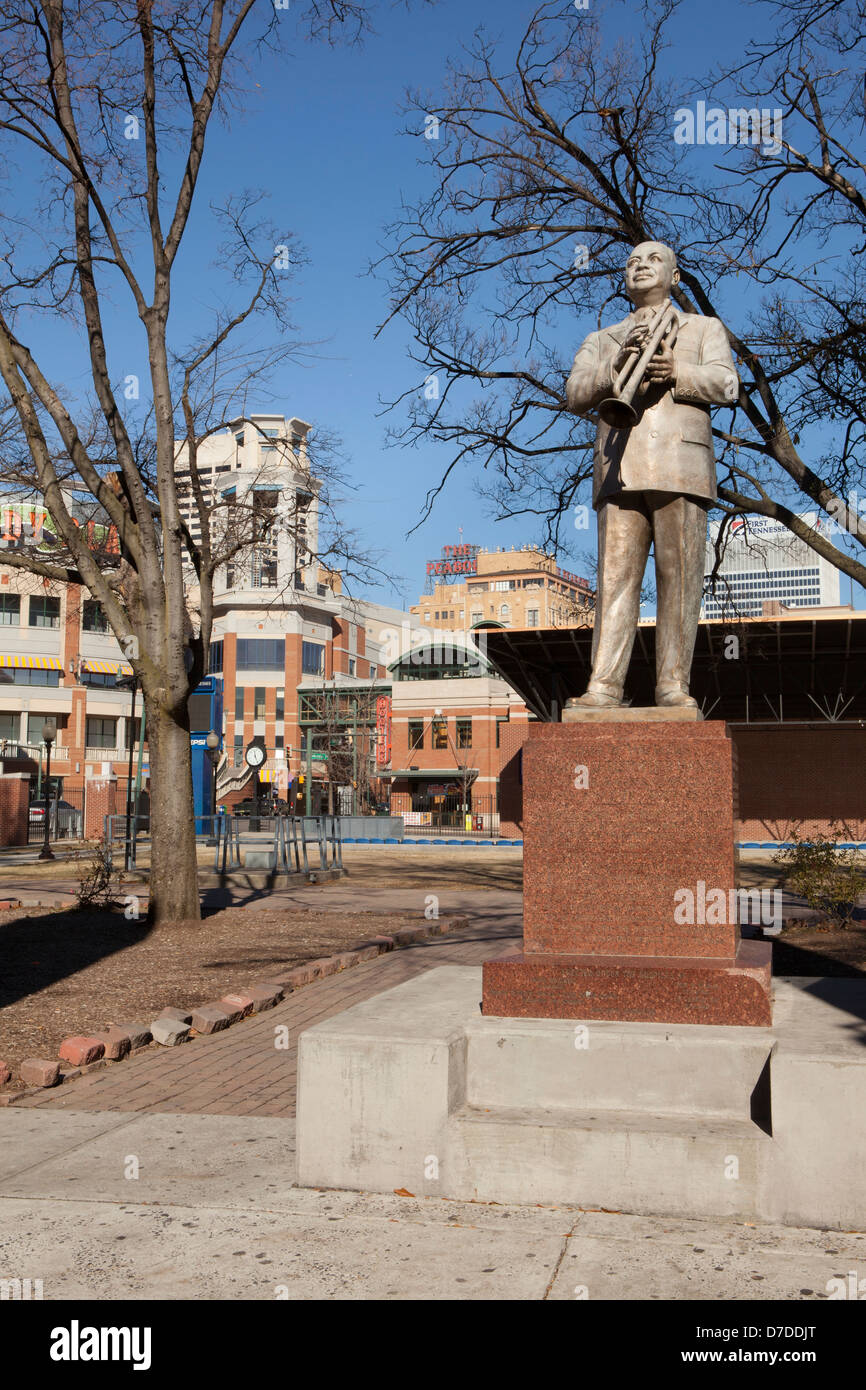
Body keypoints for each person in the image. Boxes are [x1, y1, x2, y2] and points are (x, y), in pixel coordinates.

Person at [565, 241, 738, 709]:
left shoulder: (704, 328)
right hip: (619, 467)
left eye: (653, 260)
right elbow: (575, 392)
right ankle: (603, 684)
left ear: (676, 277)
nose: (640, 267)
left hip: (681, 464)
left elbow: (727, 384)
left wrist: (677, 369)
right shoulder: (604, 338)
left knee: (677, 579)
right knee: (615, 580)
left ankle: (672, 684)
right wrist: (611, 372)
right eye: (631, 262)